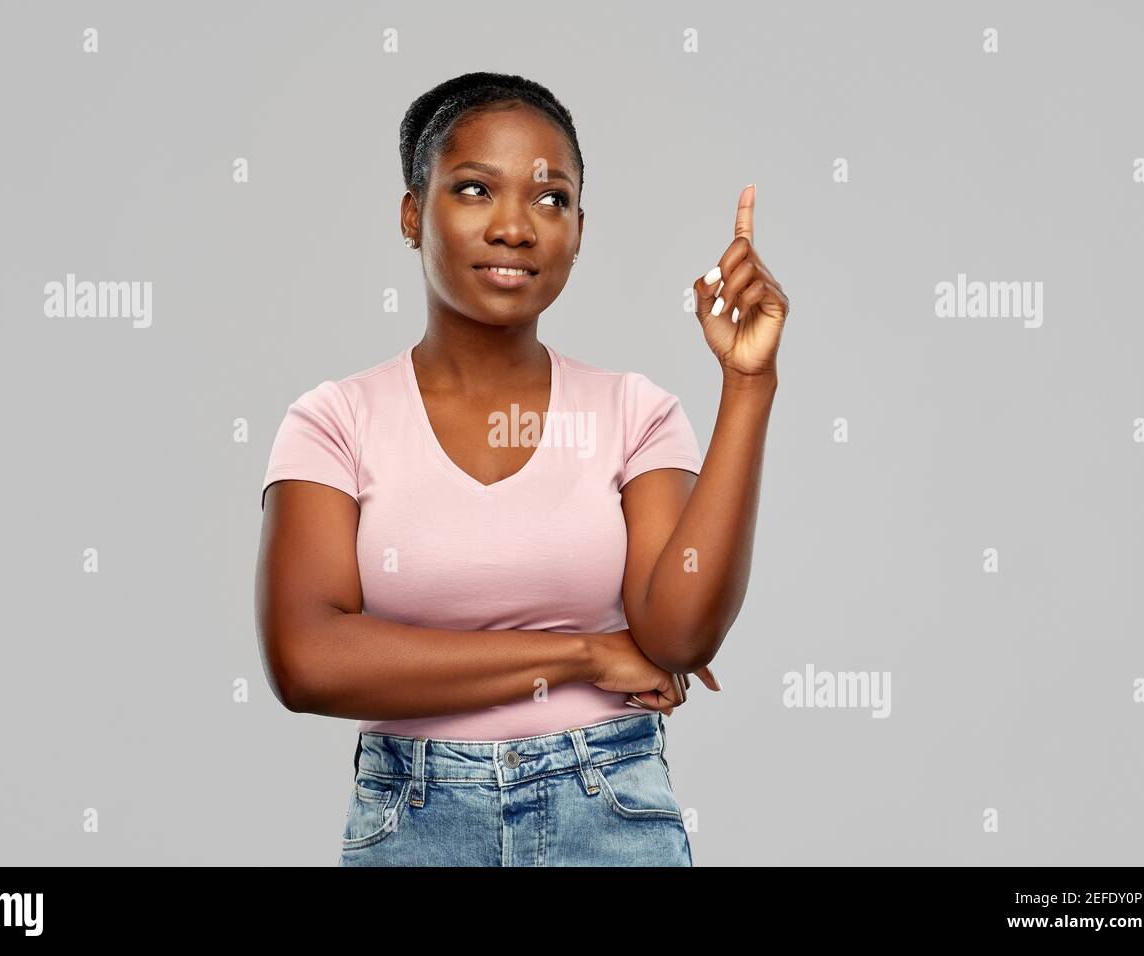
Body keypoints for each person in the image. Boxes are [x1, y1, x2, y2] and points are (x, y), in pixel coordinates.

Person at [254, 71, 788, 866]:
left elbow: (678, 634)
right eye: (474, 190)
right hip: (416, 821)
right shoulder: (336, 421)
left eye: (551, 199)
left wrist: (747, 384)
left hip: (609, 812)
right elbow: (307, 661)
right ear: (412, 213)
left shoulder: (633, 412)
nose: (515, 227)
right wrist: (581, 653)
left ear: (579, 228)